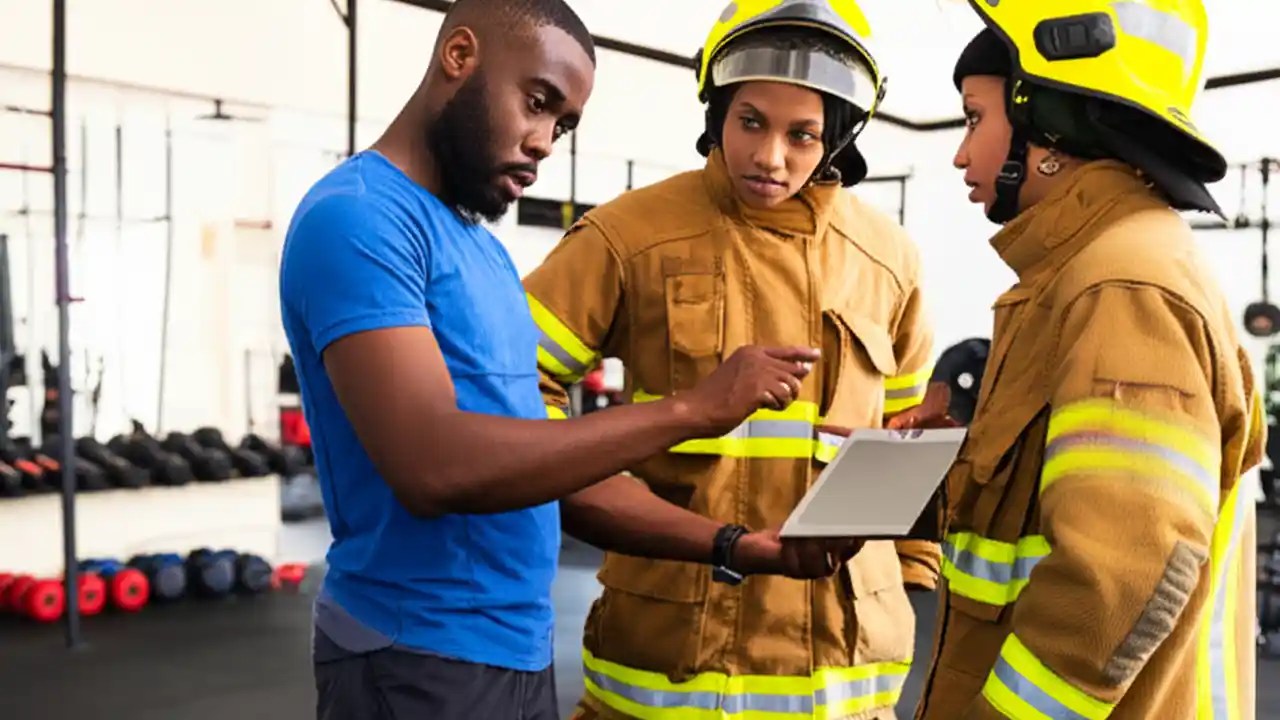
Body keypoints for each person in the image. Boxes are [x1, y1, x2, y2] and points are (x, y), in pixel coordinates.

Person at [276, 1, 830, 717]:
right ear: (459, 56)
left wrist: (735, 544)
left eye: (562, 126)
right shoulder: (358, 218)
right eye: (537, 104)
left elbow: (553, 472)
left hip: (514, 651)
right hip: (412, 654)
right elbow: (433, 466)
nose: (543, 142)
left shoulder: (483, 251)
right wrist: (695, 409)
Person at [521, 2, 948, 718]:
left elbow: (908, 434)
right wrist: (592, 486)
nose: (769, 156)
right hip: (671, 658)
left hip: (846, 672)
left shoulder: (889, 259)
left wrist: (907, 578)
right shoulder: (630, 235)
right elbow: (511, 385)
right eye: (751, 121)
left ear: (838, 139)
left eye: (802, 134)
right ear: (717, 110)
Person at [908, 1, 1265, 717]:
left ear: (1050, 127)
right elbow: (1052, 515)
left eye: (973, 119)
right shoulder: (1087, 274)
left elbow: (1121, 575)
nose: (958, 152)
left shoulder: (1121, 285)